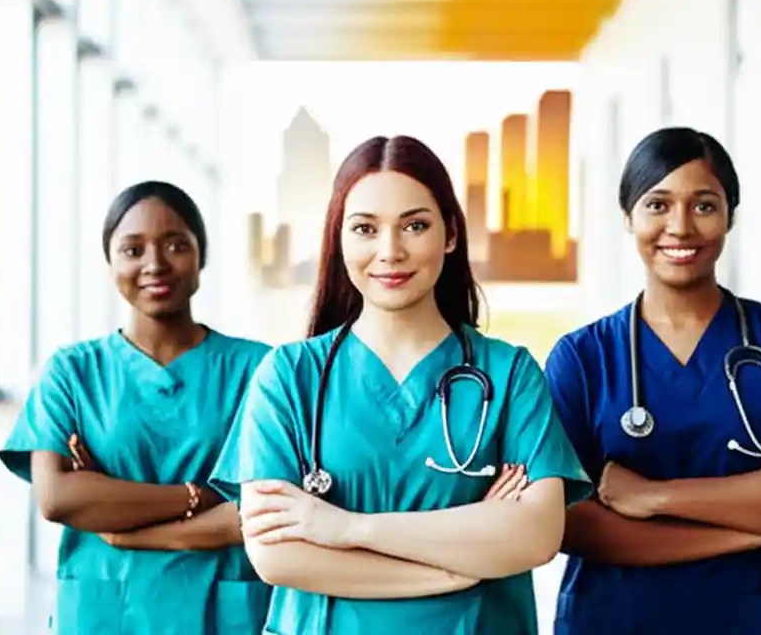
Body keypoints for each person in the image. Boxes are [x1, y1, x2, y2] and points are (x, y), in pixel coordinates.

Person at [210, 135, 591, 635]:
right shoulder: (288, 377)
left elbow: (536, 535)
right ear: (339, 239)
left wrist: (346, 527)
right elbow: (277, 555)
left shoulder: (510, 374)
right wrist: (460, 564)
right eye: (365, 228)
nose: (390, 251)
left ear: (450, 235)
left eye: (414, 225)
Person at [544, 127, 761, 635]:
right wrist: (747, 527)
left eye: (704, 205)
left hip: (756, 616)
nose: (680, 227)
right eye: (657, 205)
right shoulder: (583, 357)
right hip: (618, 617)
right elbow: (568, 521)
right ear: (628, 216)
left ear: (729, 216)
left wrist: (654, 497)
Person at [0, 181, 272, 634]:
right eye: (132, 249)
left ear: (201, 257)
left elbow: (256, 516)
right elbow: (56, 498)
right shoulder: (71, 372)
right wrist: (199, 495)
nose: (154, 264)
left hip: (222, 612)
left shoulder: (258, 369)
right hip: (105, 612)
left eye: (175, 245)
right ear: (110, 265)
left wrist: (115, 509)